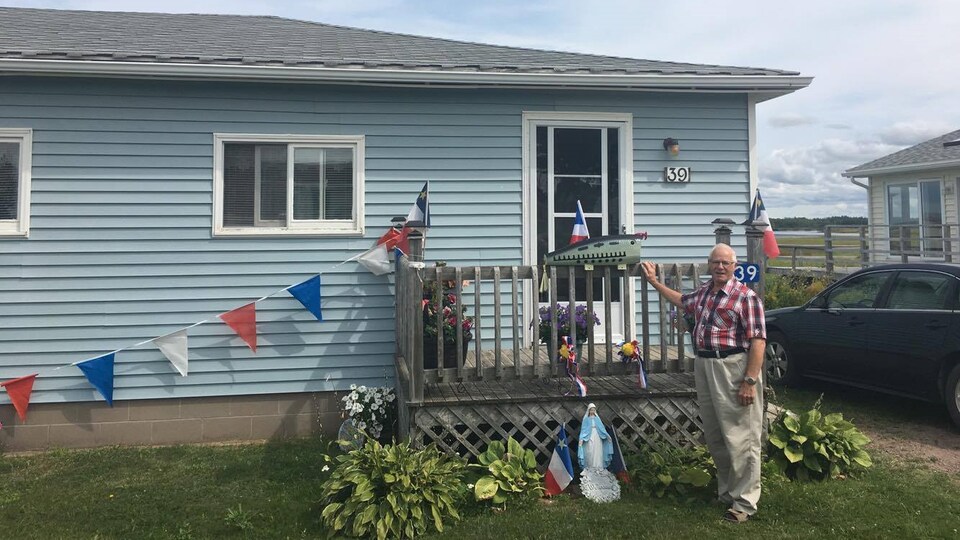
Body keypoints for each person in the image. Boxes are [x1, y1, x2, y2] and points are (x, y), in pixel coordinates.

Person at [640, 244, 766, 524]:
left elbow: (758, 341)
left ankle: (744, 503)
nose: (720, 267)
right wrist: (654, 282)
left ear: (734, 266)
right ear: (709, 264)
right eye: (715, 262)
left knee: (741, 436)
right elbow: (682, 300)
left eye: (725, 263)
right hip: (705, 365)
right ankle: (727, 493)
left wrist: (749, 381)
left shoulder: (746, 297)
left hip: (733, 367)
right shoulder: (705, 293)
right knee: (717, 434)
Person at [577, 403, 619, 503]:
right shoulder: (586, 420)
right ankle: (591, 467)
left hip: (598, 437)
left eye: (594, 409)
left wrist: (607, 436)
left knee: (598, 452)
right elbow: (584, 430)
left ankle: (599, 467)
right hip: (589, 437)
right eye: (591, 410)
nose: (593, 411)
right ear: (589, 410)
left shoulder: (597, 419)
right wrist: (582, 439)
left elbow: (602, 429)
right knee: (590, 451)